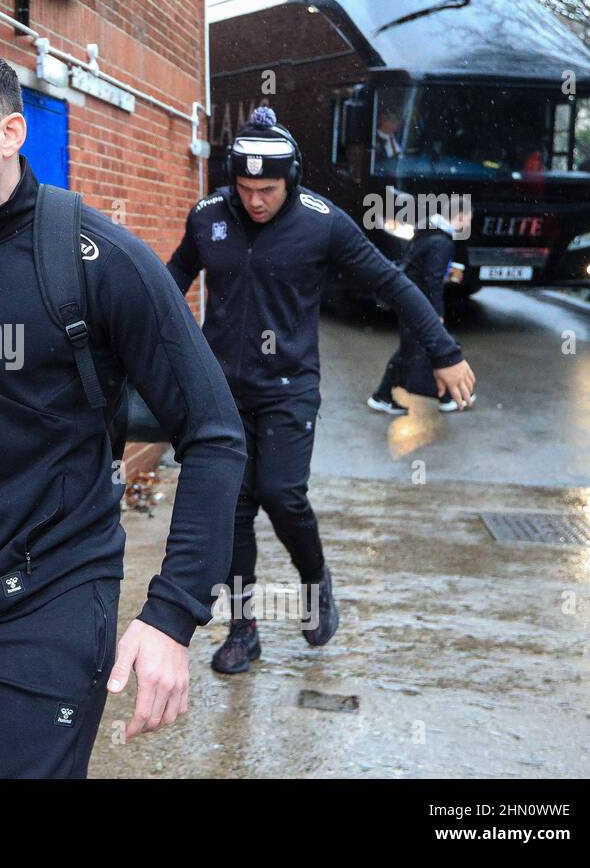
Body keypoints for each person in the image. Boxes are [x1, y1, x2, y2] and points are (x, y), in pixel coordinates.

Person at [0, 43, 247, 777]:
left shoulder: (97, 260)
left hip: (50, 604)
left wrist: (172, 615)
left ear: (9, 134)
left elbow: (214, 434)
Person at [166, 106, 476, 675]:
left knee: (282, 495)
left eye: (268, 189)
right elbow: (165, 289)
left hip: (288, 387)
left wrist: (445, 351)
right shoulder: (208, 216)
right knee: (235, 510)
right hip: (224, 392)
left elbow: (393, 283)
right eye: (245, 187)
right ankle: (244, 628)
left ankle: (315, 583)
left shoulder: (321, 221)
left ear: (292, 180)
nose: (256, 200)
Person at [368, 213, 472, 414]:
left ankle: (383, 396)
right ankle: (447, 395)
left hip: (407, 297)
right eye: (468, 219)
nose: (468, 224)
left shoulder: (427, 233)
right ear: (459, 216)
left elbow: (419, 268)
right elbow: (432, 280)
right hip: (417, 303)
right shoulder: (442, 242)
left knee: (409, 348)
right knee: (420, 348)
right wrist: (437, 312)